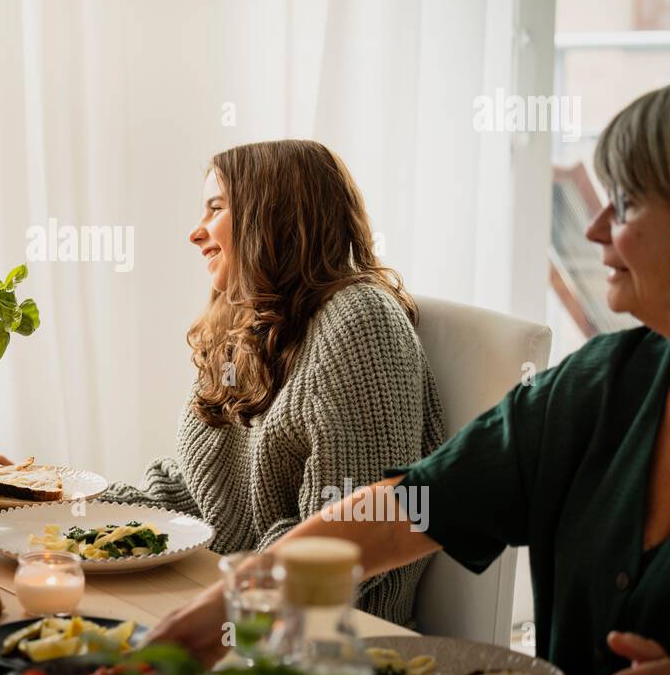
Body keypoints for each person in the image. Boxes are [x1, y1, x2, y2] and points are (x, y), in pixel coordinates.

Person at [148, 78, 670, 675]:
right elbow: (401, 511)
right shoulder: (601, 384)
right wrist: (221, 612)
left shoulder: (358, 320)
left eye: (628, 203)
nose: (595, 228)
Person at [100, 140, 445, 626]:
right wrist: (66, 502)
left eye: (216, 208)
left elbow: (340, 544)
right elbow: (190, 497)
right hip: (224, 600)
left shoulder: (360, 321)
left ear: (273, 215)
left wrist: (216, 599)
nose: (195, 233)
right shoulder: (245, 325)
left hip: (323, 642)